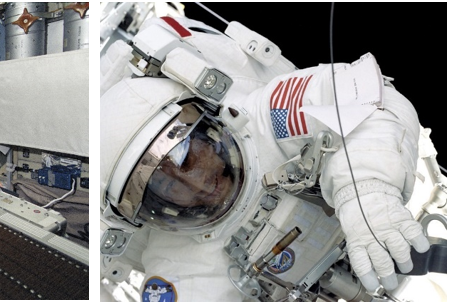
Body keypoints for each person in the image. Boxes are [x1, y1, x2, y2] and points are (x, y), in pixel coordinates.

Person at [101, 16, 430, 301]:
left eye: (186, 157)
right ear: (145, 209)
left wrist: (366, 193)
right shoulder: (179, 263)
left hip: (406, 215)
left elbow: (369, 98)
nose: (197, 183)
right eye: (163, 184)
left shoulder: (267, 119)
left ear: (207, 126)